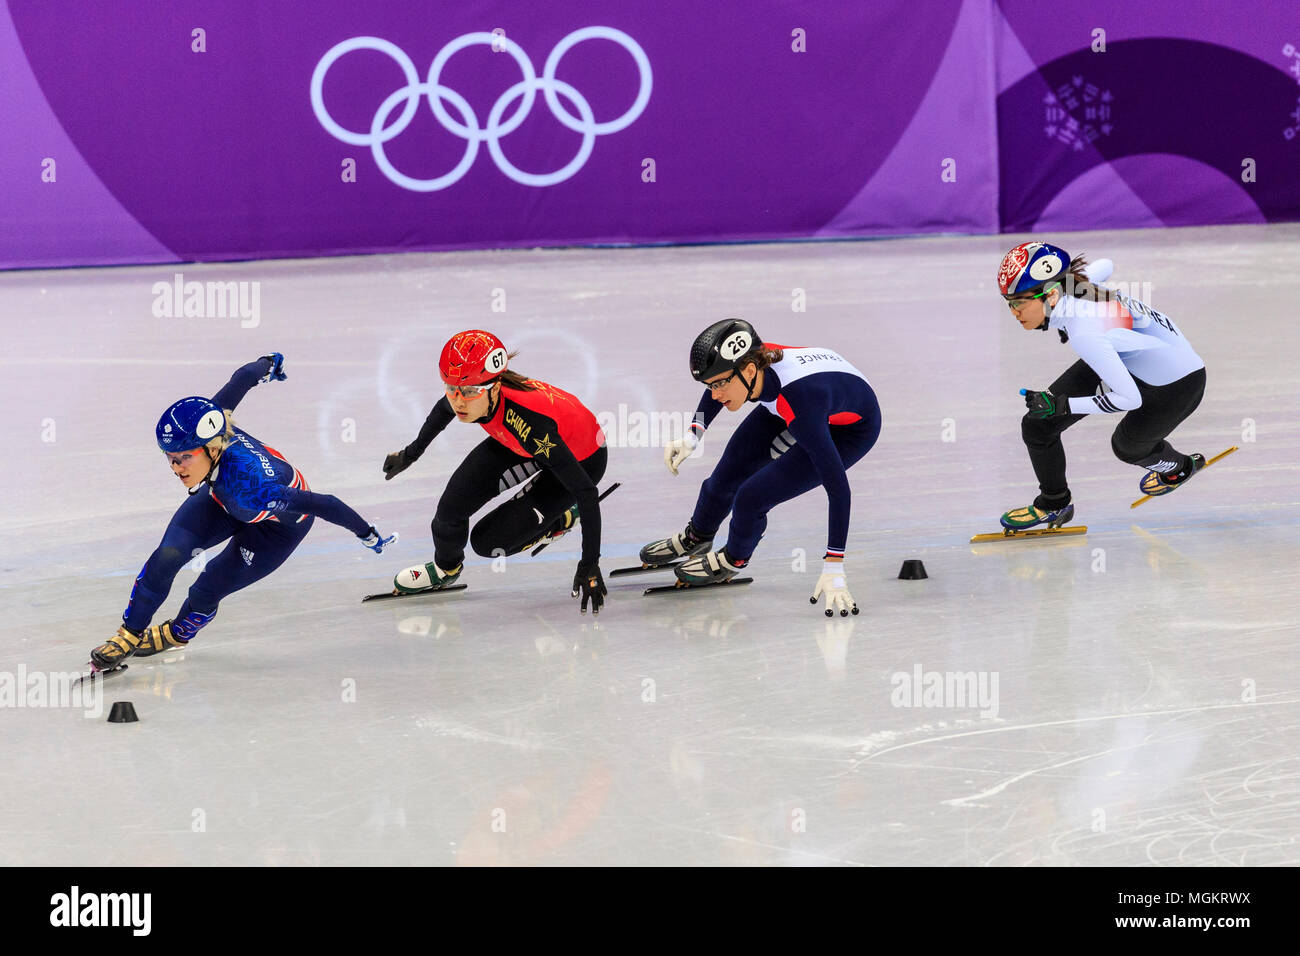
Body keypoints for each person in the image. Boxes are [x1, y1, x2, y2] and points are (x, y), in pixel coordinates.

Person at [90, 354, 397, 669]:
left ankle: (177, 633)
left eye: (184, 458)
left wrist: (367, 534)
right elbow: (242, 378)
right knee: (168, 555)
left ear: (211, 449)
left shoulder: (258, 490)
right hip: (223, 497)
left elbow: (325, 503)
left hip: (273, 530)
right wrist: (269, 364)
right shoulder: (210, 419)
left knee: (207, 588)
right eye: (169, 457)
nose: (176, 467)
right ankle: (129, 634)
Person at [640, 319, 881, 616]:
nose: (715, 394)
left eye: (719, 385)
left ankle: (734, 559)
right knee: (725, 476)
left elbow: (839, 490)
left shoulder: (801, 407)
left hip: (850, 429)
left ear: (750, 371)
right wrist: (694, 433)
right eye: (709, 385)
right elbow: (719, 380)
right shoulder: (752, 364)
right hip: (808, 398)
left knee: (751, 498)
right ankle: (698, 537)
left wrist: (834, 564)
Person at [382, 331, 609, 614]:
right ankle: (446, 569)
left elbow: (586, 492)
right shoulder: (473, 392)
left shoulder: (529, 422)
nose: (458, 401)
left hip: (581, 458)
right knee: (450, 511)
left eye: (468, 392)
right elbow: (443, 411)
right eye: (450, 388)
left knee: (488, 542)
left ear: (494, 386)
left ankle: (561, 518)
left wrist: (589, 564)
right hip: (521, 442)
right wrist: (409, 455)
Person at [997, 241, 1208, 531]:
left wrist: (1062, 405)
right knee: (1038, 425)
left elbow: (1128, 399)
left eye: (1019, 302)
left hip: (1177, 385)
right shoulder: (1076, 289)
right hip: (1132, 360)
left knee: (1126, 448)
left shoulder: (1085, 331)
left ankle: (1178, 467)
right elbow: (1105, 264)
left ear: (1052, 295)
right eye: (1008, 303)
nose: (1014, 312)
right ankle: (1054, 504)